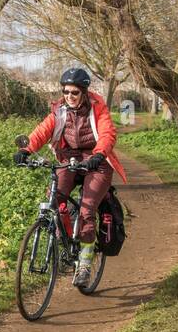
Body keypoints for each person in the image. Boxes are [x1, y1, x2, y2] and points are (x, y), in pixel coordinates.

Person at [14, 68, 128, 287]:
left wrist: (98, 154)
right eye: (65, 91)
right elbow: (42, 131)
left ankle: (85, 261)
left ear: (84, 92)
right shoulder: (59, 110)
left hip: (97, 161)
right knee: (54, 199)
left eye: (74, 92)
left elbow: (107, 134)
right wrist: (26, 150)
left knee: (87, 210)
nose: (69, 96)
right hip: (69, 159)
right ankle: (65, 236)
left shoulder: (97, 108)